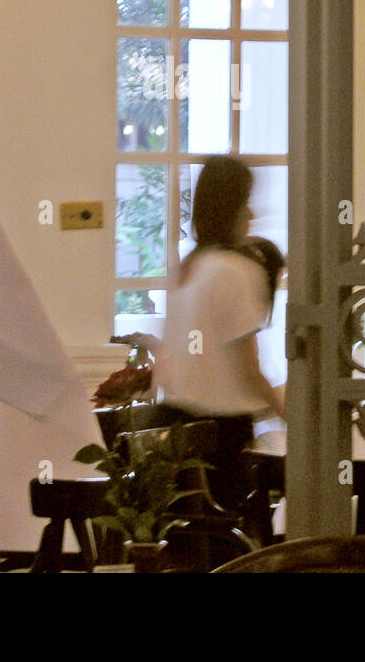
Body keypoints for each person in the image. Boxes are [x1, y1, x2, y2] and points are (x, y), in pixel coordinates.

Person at [154, 156, 285, 525]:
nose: (252, 214)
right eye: (245, 201)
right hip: (222, 439)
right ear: (231, 208)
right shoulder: (234, 272)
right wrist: (286, 410)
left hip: (177, 429)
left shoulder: (188, 268)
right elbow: (248, 368)